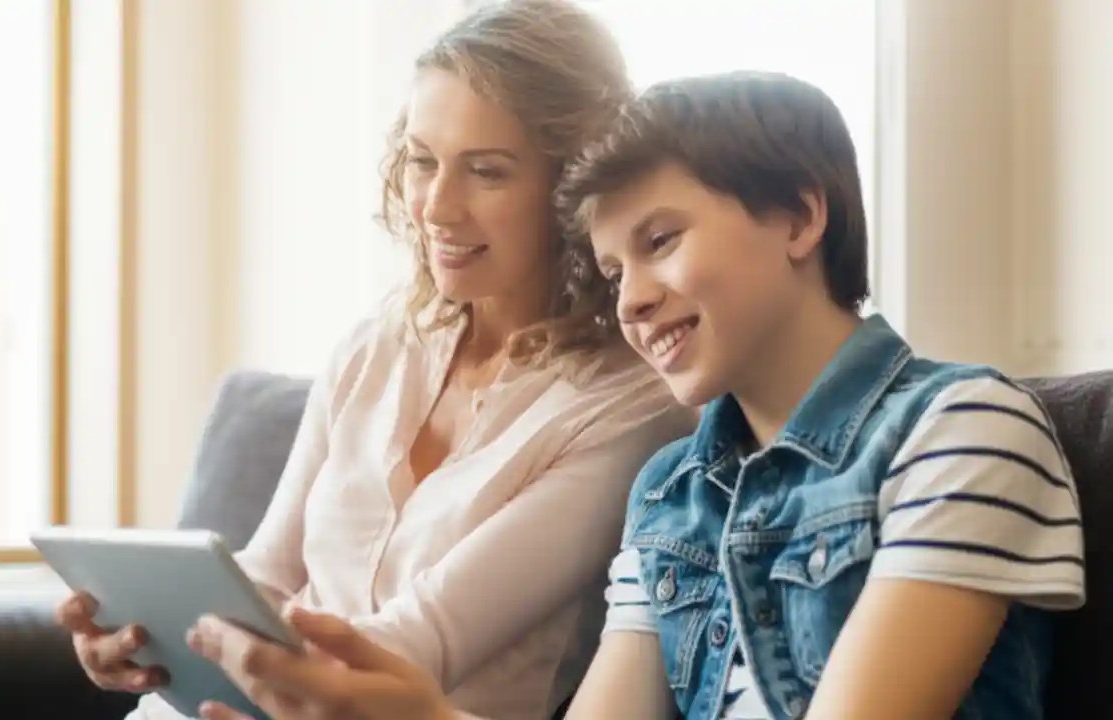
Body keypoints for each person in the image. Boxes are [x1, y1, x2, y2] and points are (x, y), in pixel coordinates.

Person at [184, 71, 1086, 720]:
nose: (631, 300)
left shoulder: (963, 431)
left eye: (661, 241)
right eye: (613, 269)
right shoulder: (669, 495)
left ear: (802, 218)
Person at [54, 2, 694, 720]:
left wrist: (221, 650)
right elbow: (266, 575)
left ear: (572, 189)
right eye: (423, 162)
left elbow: (419, 642)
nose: (437, 207)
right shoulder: (380, 345)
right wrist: (149, 635)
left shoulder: (632, 406)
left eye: (486, 172)